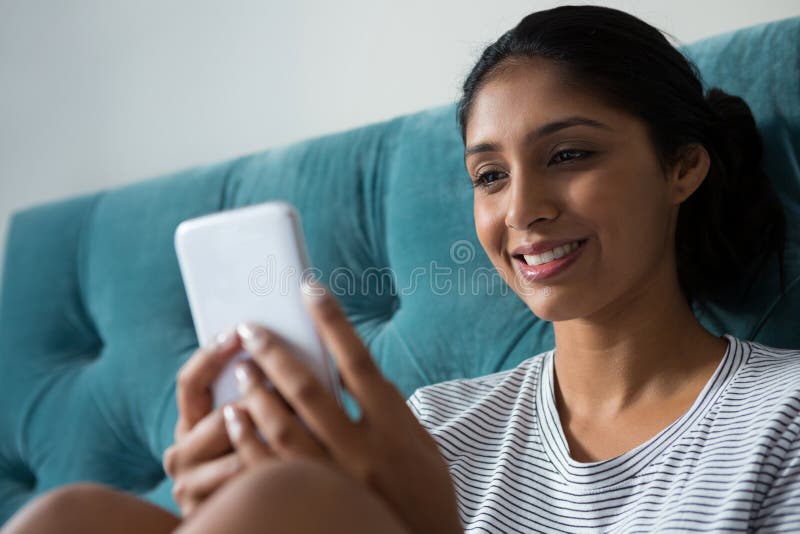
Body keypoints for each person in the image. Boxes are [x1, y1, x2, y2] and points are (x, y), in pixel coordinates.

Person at [2, 5, 798, 533]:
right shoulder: (428, 426)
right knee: (70, 516)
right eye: (489, 176)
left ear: (682, 168)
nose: (522, 209)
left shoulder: (781, 417)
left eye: (569, 155)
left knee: (288, 499)